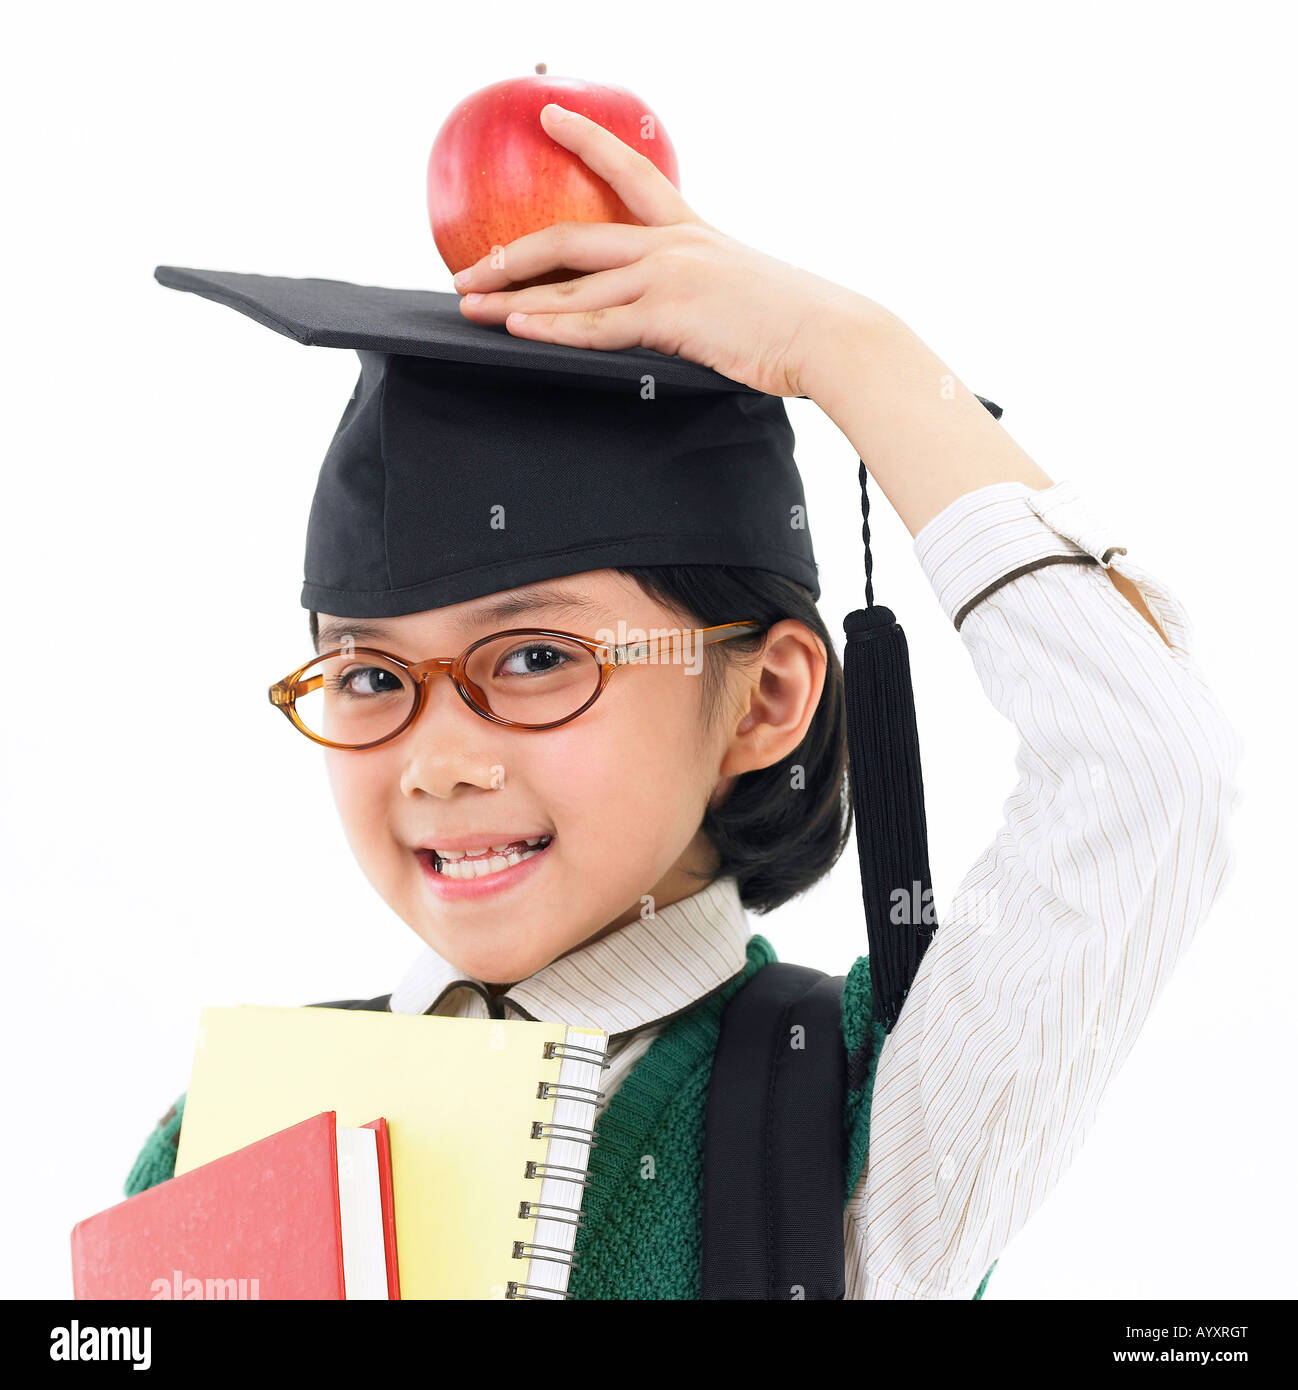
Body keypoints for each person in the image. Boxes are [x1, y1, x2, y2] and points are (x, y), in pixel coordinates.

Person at [124, 102, 1242, 1298]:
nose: (436, 758)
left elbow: (1149, 769)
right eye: (367, 675)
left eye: (537, 658)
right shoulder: (235, 1130)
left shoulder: (857, 1116)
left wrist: (841, 346)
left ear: (764, 698)